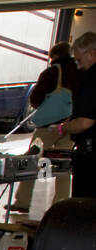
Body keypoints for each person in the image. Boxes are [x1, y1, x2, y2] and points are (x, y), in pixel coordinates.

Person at [12, 42, 81, 210]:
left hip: (49, 126)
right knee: (64, 166)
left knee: (34, 160)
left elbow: (35, 99)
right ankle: (59, 205)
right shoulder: (80, 71)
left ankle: (23, 202)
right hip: (72, 124)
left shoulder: (51, 72)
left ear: (54, 56)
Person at [68, 32, 96, 199]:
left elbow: (85, 122)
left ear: (91, 53)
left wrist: (64, 127)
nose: (79, 66)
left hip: (91, 156)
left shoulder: (92, 79)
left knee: (84, 207)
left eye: (79, 60)